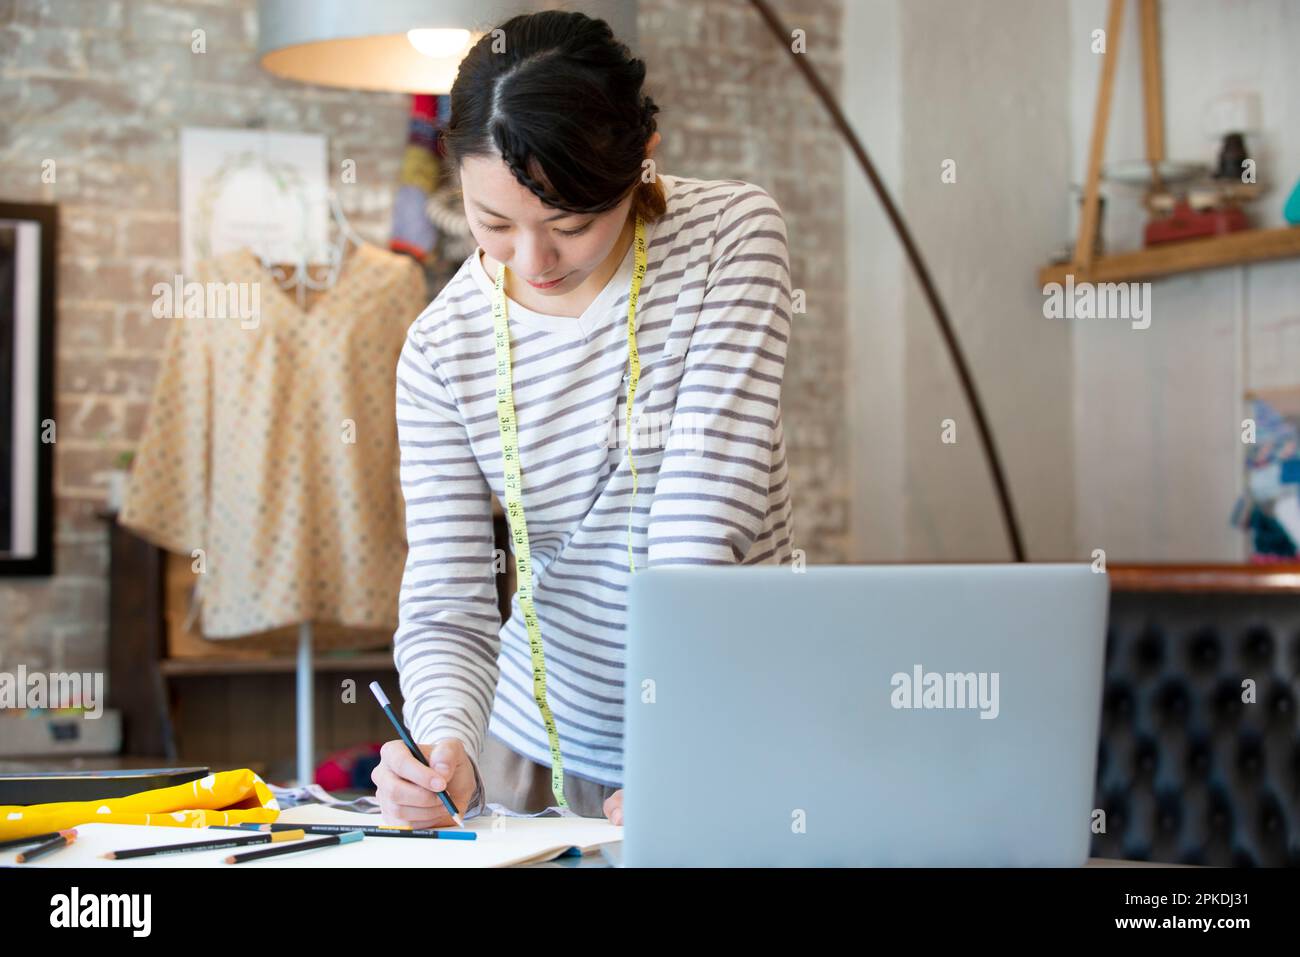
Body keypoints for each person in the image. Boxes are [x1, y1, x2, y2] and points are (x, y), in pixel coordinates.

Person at [372, 9, 795, 829]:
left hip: (727, 725)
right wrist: (444, 743)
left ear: (643, 161)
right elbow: (449, 600)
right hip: (540, 744)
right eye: (492, 224)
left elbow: (701, 528)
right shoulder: (439, 348)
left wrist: (682, 748)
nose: (533, 262)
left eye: (570, 224)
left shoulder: (732, 240)